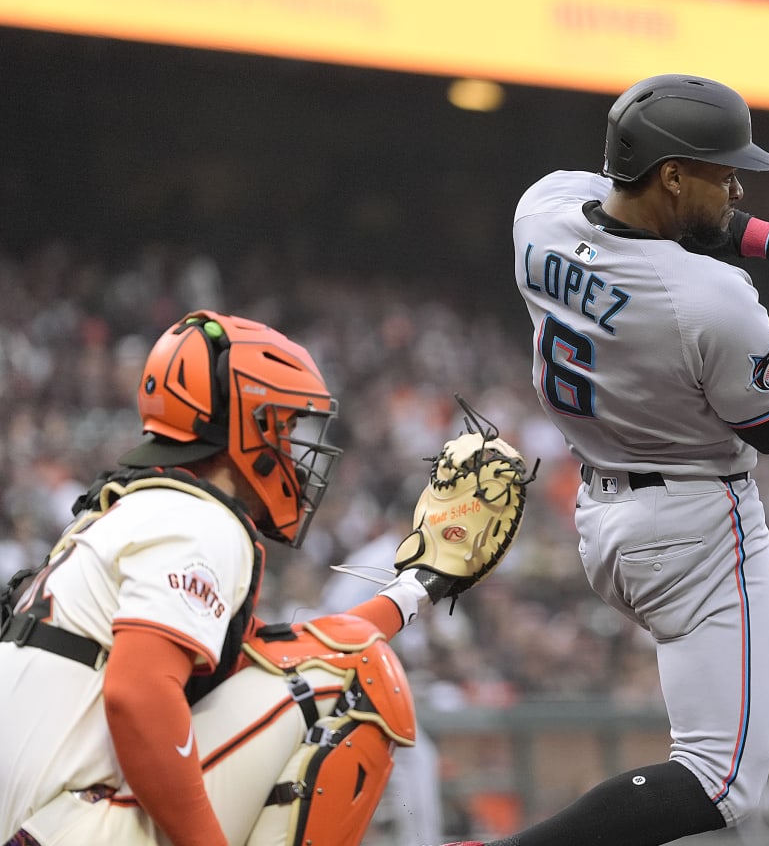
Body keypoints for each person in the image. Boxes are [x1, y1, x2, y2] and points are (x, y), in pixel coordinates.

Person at [448, 74, 769, 846]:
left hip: (609, 510)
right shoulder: (707, 295)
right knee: (717, 781)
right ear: (671, 175)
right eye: (722, 171)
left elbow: (651, 216)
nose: (736, 185)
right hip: (698, 524)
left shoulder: (541, 210)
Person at [0, 310, 453, 846]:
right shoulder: (200, 519)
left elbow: (286, 653)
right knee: (361, 677)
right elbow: (139, 694)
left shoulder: (138, 510)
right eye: (283, 425)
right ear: (246, 423)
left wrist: (419, 586)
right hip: (62, 828)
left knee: (341, 659)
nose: (292, 449)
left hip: (49, 822)